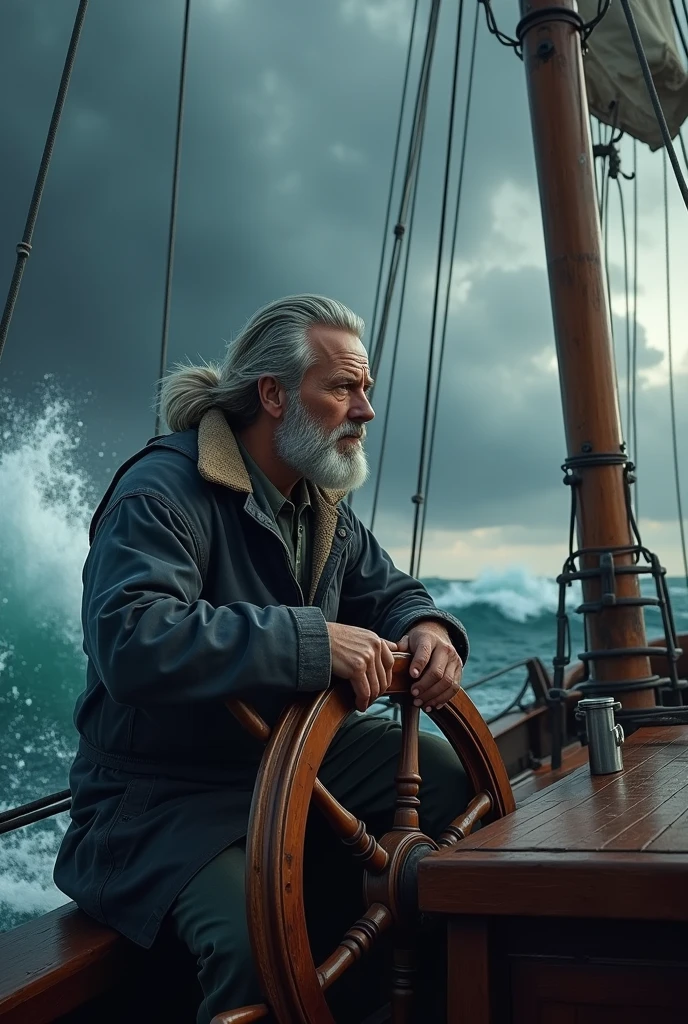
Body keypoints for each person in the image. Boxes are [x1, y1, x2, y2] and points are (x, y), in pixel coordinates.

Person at [54, 294, 471, 1023]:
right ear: (273, 394)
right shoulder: (162, 491)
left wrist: (430, 627)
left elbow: (392, 594)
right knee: (256, 949)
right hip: (164, 798)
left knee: (450, 778)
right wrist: (314, 641)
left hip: (289, 762)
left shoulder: (320, 500)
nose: (365, 410)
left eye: (365, 388)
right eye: (343, 387)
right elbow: (131, 637)